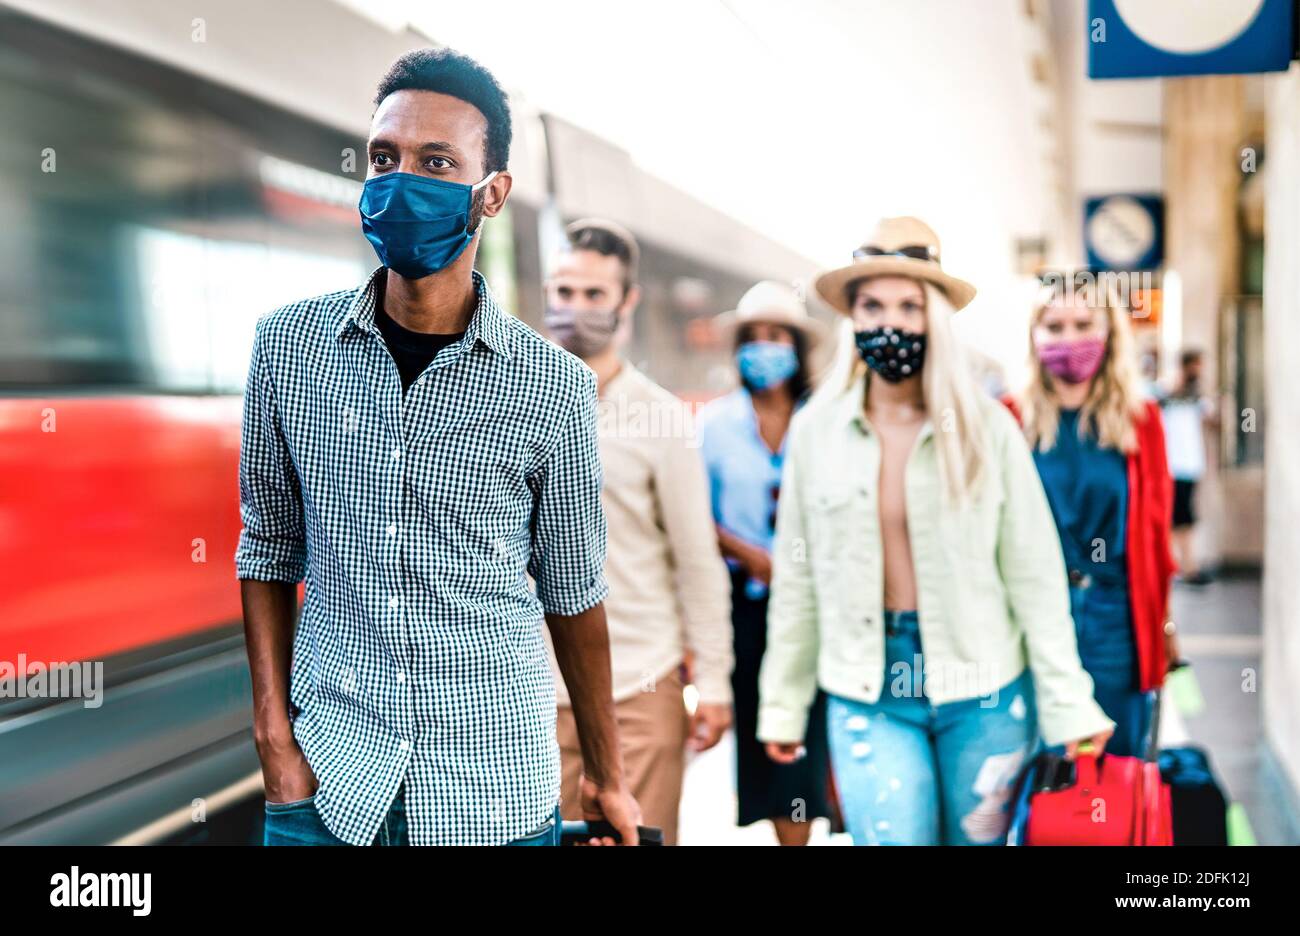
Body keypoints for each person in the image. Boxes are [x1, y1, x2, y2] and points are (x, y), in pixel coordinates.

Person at [236, 48, 640, 847]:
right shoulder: (287, 346)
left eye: (436, 161)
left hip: (491, 790)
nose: (398, 181)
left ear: (491, 194)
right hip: (329, 782)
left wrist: (604, 775)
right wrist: (274, 740)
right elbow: (268, 547)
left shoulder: (552, 385)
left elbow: (573, 590)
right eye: (384, 157)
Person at [757, 217, 1113, 846]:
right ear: (852, 319)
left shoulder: (987, 430)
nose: (889, 322)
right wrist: (783, 703)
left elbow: (1034, 575)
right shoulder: (817, 432)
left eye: (909, 306)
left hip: (985, 688)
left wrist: (1067, 700)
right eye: (872, 305)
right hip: (868, 688)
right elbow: (799, 577)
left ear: (936, 320)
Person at [542, 218, 733, 846]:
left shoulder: (661, 418)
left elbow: (696, 559)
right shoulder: (507, 399)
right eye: (565, 292)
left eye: (595, 295)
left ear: (627, 301)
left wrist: (714, 680)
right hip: (527, 693)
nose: (576, 309)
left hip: (639, 690)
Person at [1009, 282, 1178, 758]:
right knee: (1038, 773)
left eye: (1083, 325)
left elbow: (1156, 532)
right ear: (1034, 336)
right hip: (1032, 616)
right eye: (1054, 326)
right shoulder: (1008, 417)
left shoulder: (1140, 420)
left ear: (1108, 333)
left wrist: (1163, 624)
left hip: (1114, 615)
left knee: (1116, 764)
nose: (1069, 339)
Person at [697, 282, 835, 846]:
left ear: (798, 346)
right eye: (752, 338)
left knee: (819, 736)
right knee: (769, 742)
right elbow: (694, 519)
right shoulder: (716, 425)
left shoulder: (826, 418)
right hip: (748, 612)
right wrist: (748, 554)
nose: (763, 348)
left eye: (776, 336)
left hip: (823, 607)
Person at [1161, 349, 1216, 586]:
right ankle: (1184, 567)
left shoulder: (1197, 396)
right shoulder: (1166, 393)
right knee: (1179, 519)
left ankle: (1184, 565)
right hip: (1174, 465)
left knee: (1183, 518)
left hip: (1190, 465)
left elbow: (1213, 419)